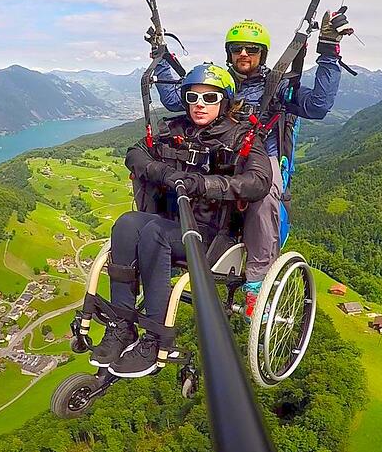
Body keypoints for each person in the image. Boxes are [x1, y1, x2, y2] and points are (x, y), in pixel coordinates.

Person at [155, 10, 352, 319]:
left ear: (262, 54)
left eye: (252, 49)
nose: (244, 54)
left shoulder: (277, 87)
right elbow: (174, 100)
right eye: (237, 49)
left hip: (261, 159)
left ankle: (256, 281)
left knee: (265, 188)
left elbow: (317, 106)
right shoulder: (217, 84)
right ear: (229, 53)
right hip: (219, 156)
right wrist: (161, 58)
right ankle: (166, 247)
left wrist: (328, 49)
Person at [90, 63, 272, 378]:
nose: (200, 105)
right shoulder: (174, 130)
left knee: (154, 233)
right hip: (170, 224)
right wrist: (166, 173)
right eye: (193, 97)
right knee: (125, 224)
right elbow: (136, 154)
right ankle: (122, 326)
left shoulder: (243, 138)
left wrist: (207, 184)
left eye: (210, 98)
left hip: (212, 235)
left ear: (225, 101)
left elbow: (258, 181)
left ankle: (155, 337)